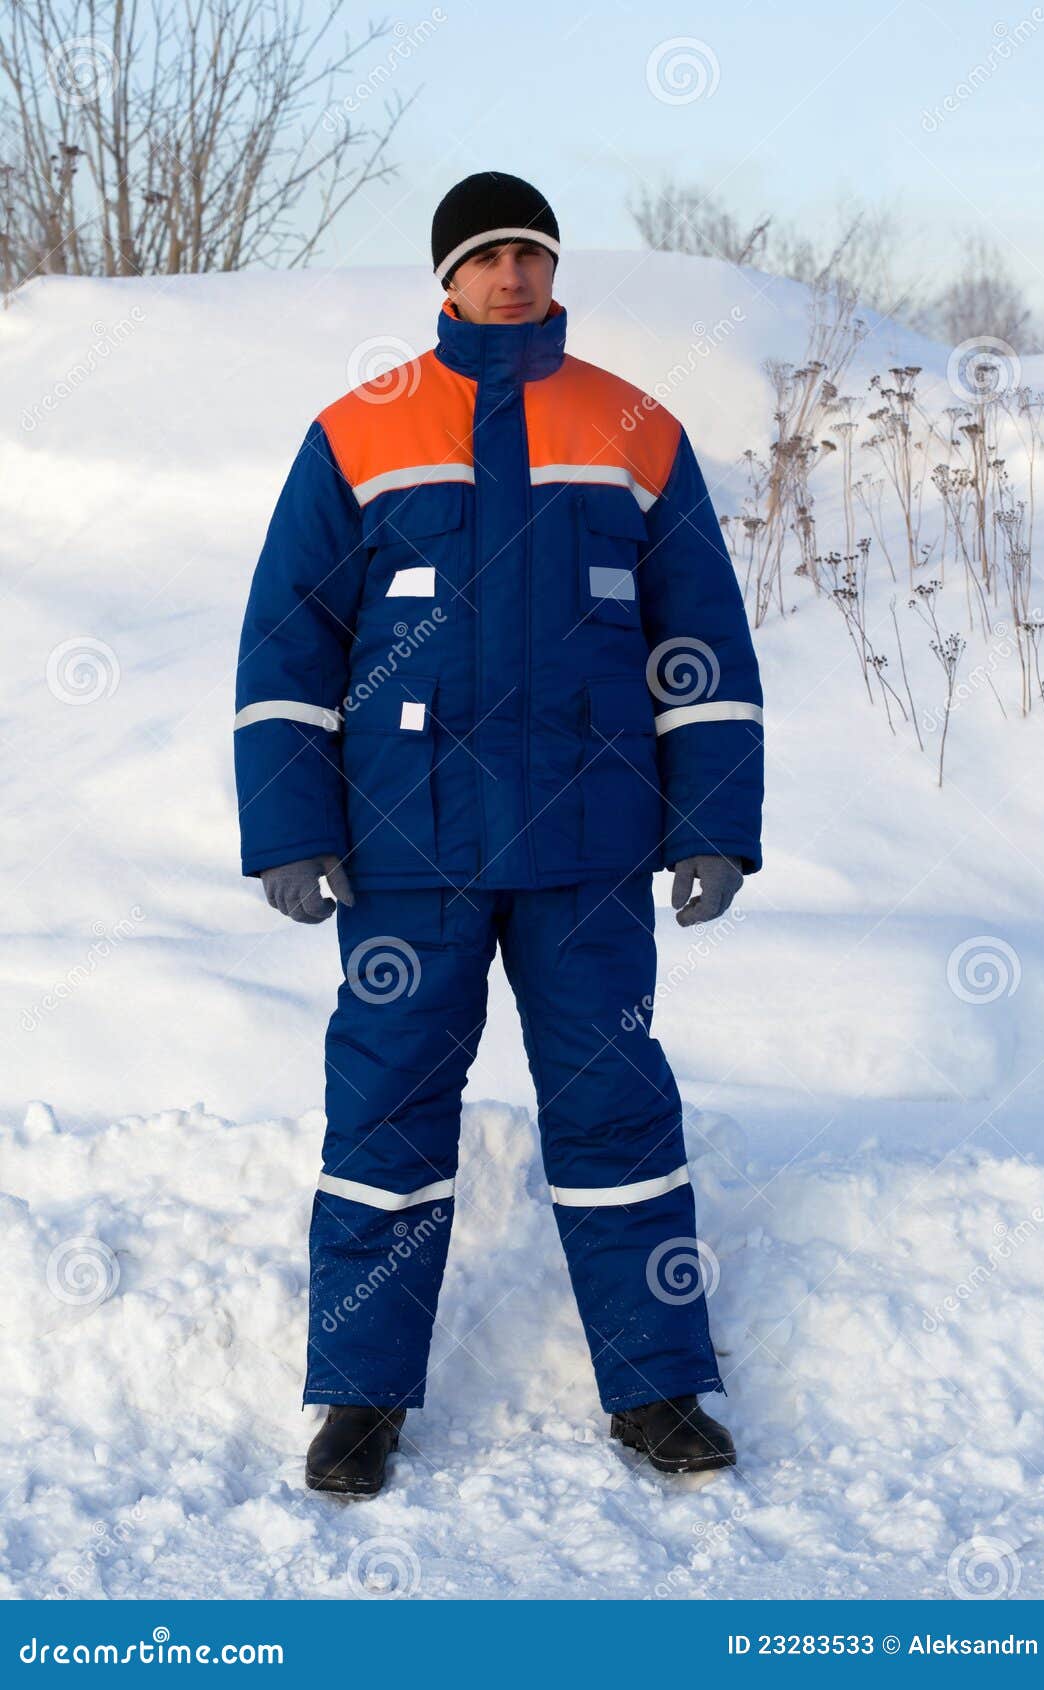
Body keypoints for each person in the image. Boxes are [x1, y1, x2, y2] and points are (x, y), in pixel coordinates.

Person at [233, 171, 765, 1497]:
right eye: (485, 256)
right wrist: (289, 826)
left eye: (529, 251)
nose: (511, 275)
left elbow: (699, 638)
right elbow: (290, 637)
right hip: (408, 848)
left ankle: (658, 1387)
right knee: (384, 1111)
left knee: (617, 1109)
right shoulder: (360, 430)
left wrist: (713, 822)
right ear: (447, 279)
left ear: (553, 267)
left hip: (590, 850)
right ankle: (359, 1398)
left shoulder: (635, 428)